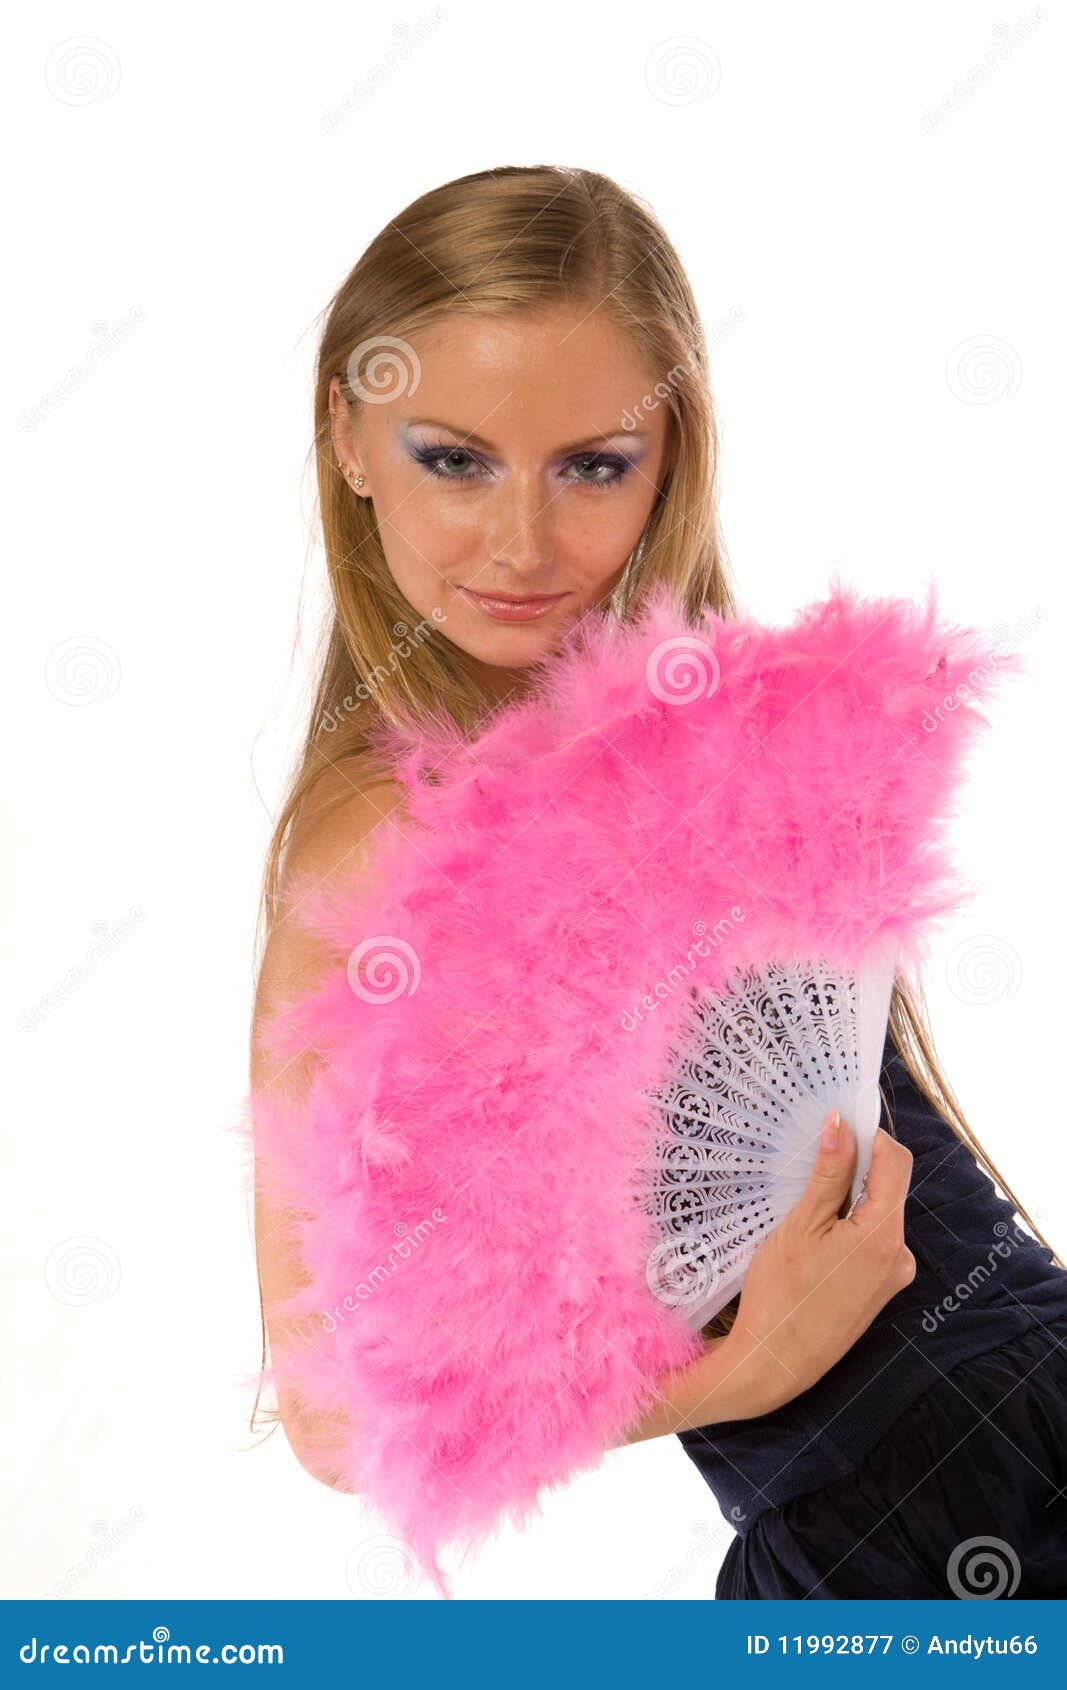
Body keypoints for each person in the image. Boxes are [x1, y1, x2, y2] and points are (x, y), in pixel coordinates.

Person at [247, 163, 1067, 1597]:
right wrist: (745, 1369)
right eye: (454, 459)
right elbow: (332, 1403)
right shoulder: (380, 837)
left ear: (671, 453)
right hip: (893, 1537)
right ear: (348, 436)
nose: (521, 541)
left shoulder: (717, 725)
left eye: (592, 466)